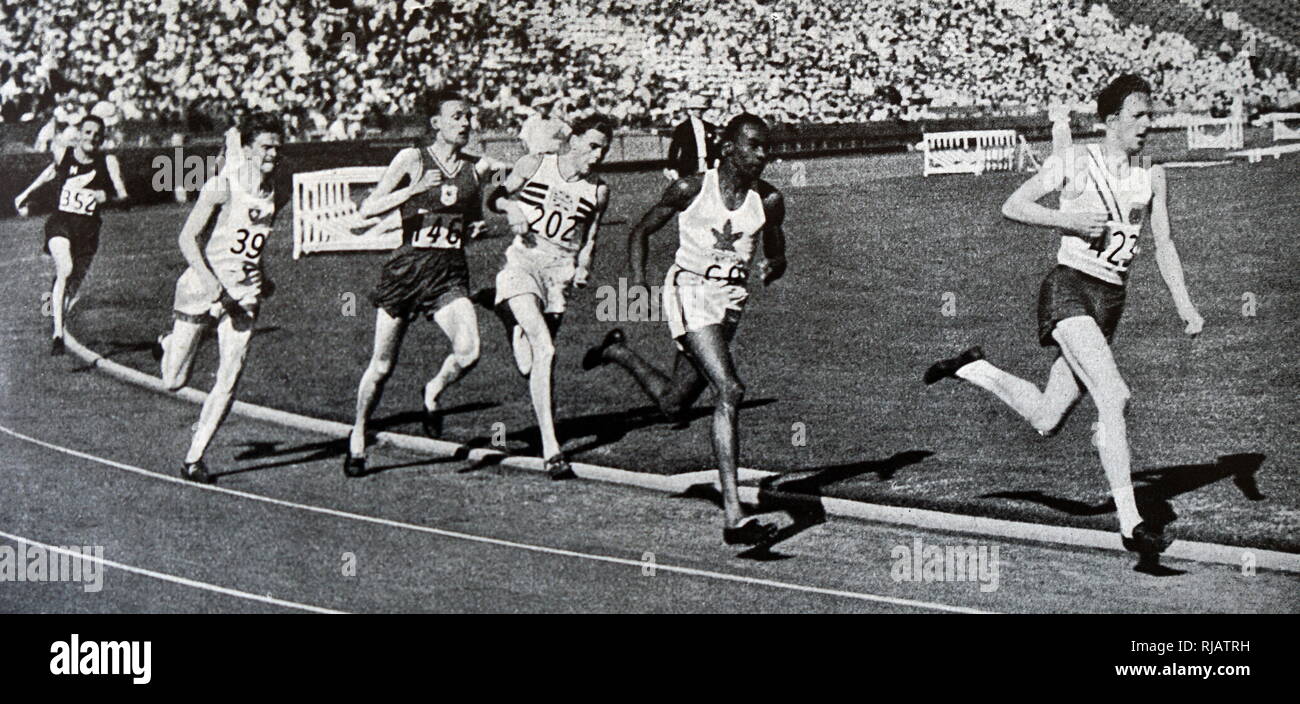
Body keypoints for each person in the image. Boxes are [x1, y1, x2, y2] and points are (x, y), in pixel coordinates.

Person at [924, 75, 1205, 558]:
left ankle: (971, 366)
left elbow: (1166, 244)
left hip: (1109, 303)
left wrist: (1184, 304)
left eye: (1150, 115)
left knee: (1047, 418)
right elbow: (1014, 205)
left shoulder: (1152, 173)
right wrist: (1067, 220)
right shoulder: (1077, 162)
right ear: (1111, 120)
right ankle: (1131, 524)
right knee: (1114, 396)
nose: (1148, 125)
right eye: (1138, 116)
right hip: (1069, 289)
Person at [582, 114, 788, 545]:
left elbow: (777, 246)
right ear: (728, 149)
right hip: (688, 291)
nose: (763, 154)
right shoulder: (690, 189)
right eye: (753, 145)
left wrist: (774, 265)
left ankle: (617, 352)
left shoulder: (768, 200)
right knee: (729, 390)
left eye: (766, 146)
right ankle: (734, 515)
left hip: (730, 303)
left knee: (675, 405)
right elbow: (641, 230)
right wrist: (639, 281)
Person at [344, 89, 498, 477]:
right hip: (406, 273)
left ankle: (433, 390)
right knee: (381, 367)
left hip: (447, 274)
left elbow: (487, 199)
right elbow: (364, 212)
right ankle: (359, 434)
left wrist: (475, 224)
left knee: (469, 351)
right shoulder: (412, 159)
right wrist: (411, 191)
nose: (466, 123)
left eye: (469, 116)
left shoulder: (475, 169)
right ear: (437, 123)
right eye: (458, 116)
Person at [151, 111, 284, 483]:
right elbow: (187, 239)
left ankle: (194, 458)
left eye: (277, 147)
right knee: (173, 382)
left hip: (243, 293)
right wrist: (213, 288)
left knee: (231, 372)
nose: (272, 154)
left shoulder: (278, 189)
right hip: (202, 286)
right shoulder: (222, 185)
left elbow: (254, 241)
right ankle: (168, 343)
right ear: (247, 148)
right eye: (265, 147)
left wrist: (262, 276)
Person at [484, 114, 614, 479]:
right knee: (546, 350)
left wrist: (584, 265)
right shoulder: (535, 164)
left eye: (603, 149)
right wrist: (511, 208)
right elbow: (495, 196)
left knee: (530, 365)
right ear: (572, 141)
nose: (597, 155)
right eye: (592, 146)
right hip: (523, 262)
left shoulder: (599, 189)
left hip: (559, 276)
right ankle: (552, 448)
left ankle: (510, 320)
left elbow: (590, 236)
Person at [13, 115, 128, 355]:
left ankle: (57, 311)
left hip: (88, 230)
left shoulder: (108, 161)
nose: (92, 138)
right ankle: (57, 333)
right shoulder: (64, 153)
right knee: (65, 269)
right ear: (80, 135)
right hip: (61, 223)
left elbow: (125, 198)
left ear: (102, 138)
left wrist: (107, 198)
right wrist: (24, 194)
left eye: (97, 134)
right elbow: (49, 173)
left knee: (73, 283)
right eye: (88, 132)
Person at [664, 94, 717, 183]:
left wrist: (716, 158)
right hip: (689, 165)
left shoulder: (709, 126)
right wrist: (672, 167)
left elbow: (713, 147)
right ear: (691, 110)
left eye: (702, 109)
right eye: (696, 108)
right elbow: (674, 149)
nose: (699, 111)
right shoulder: (682, 128)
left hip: (707, 164)